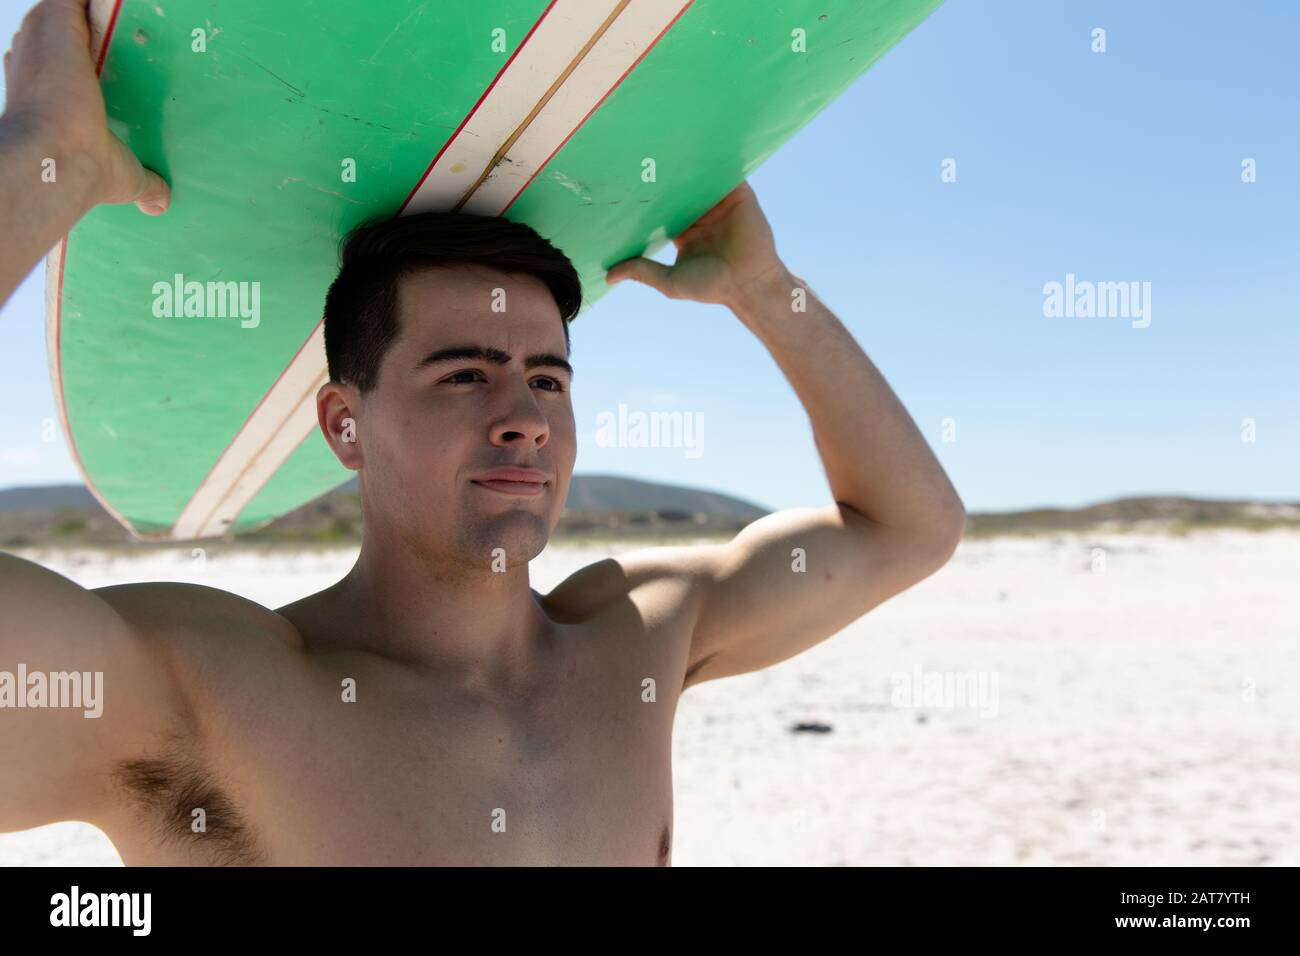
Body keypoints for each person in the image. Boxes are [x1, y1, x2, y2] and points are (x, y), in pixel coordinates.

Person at [0, 0, 965, 866]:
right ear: (345, 423)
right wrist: (48, 159)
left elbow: (909, 528)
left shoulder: (637, 638)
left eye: (549, 378)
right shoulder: (204, 698)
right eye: (465, 375)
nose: (524, 420)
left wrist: (767, 292)